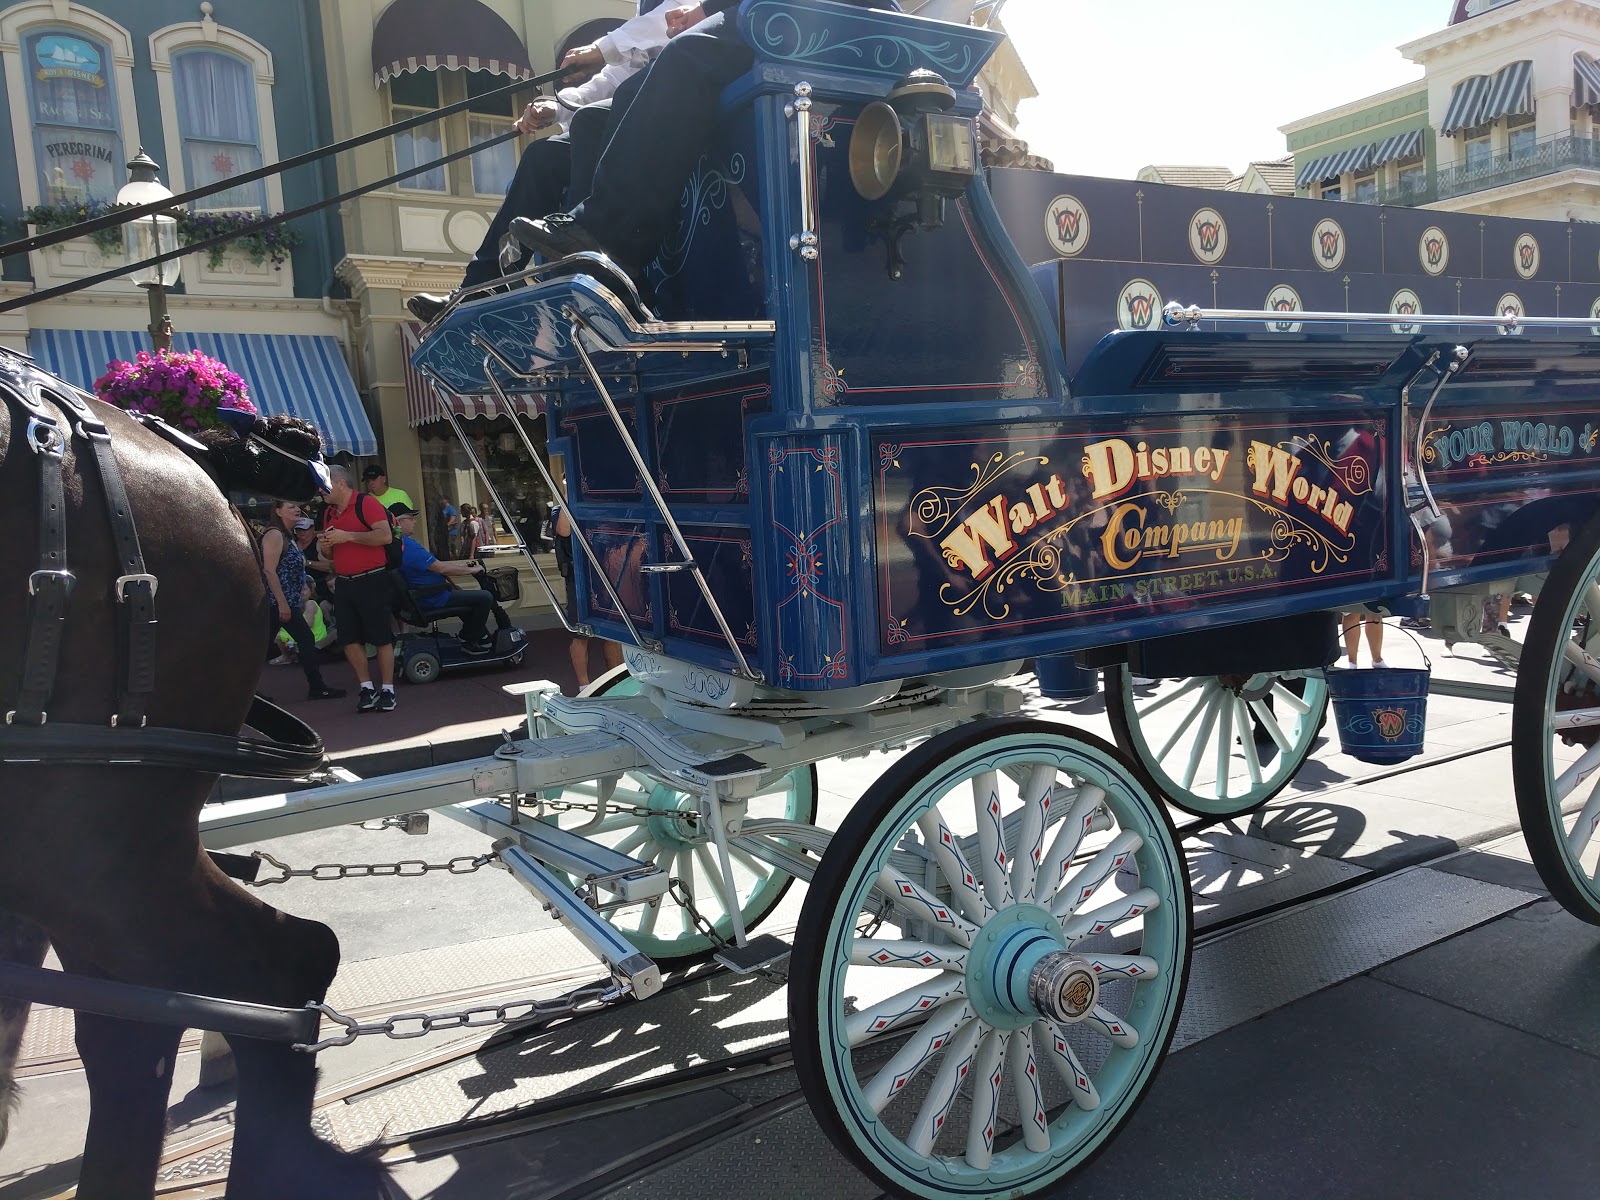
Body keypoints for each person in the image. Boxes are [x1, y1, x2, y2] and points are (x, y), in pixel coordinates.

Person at [511, 0, 896, 284]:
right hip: (787, 16)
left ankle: (608, 239)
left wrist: (707, 9)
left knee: (686, 55)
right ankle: (609, 266)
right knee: (611, 107)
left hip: (838, 17)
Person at [405, 0, 679, 322]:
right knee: (543, 155)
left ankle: (596, 267)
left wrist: (602, 48)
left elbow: (678, 18)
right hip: (636, 117)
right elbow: (624, 72)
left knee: (590, 123)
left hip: (675, 110)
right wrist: (558, 105)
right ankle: (480, 288)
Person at [318, 465, 399, 712]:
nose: (321, 491)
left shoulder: (367, 504)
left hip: (372, 579)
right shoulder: (329, 512)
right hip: (344, 582)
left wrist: (348, 536)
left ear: (340, 483)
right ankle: (366, 687)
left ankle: (387, 689)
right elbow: (327, 552)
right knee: (349, 638)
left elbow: (384, 537)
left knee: (381, 637)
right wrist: (327, 544)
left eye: (325, 485)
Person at [390, 502, 508, 652]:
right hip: (432, 598)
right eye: (411, 518)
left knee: (464, 595)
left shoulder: (396, 544)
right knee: (485, 597)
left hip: (426, 595)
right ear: (399, 522)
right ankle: (468, 638)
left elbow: (434, 566)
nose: (414, 521)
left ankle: (478, 636)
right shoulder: (408, 546)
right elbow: (439, 567)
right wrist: (472, 570)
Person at [260, 500, 346, 700]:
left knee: (304, 640)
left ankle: (316, 687)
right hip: (275, 603)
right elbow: (268, 570)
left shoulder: (288, 536)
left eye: (297, 506)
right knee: (261, 649)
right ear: (279, 511)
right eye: (290, 507)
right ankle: (249, 696)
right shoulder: (274, 534)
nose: (297, 509)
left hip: (286, 602)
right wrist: (282, 602)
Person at [555, 503, 623, 689]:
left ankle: (616, 679)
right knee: (580, 633)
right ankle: (584, 685)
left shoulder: (599, 508)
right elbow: (563, 530)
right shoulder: (562, 510)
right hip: (580, 578)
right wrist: (568, 498)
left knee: (613, 632)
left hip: (606, 574)